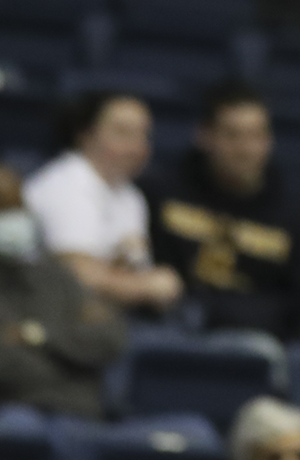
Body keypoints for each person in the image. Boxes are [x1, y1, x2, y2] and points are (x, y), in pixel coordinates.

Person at [148, 82, 300, 340]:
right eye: (233, 136)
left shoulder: (298, 219)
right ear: (204, 136)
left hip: (256, 353)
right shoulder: (160, 195)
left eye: (257, 136)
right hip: (170, 337)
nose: (246, 150)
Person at [23, 91, 182, 312]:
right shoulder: (67, 183)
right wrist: (150, 286)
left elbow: (130, 266)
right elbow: (77, 274)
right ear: (84, 134)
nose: (137, 148)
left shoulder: (131, 197)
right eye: (123, 133)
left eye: (143, 135)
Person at [0, 165, 125, 418]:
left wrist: (36, 335)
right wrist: (71, 363)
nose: (10, 219)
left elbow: (109, 338)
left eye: (16, 209)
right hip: (15, 411)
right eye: (2, 210)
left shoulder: (53, 274)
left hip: (79, 412)